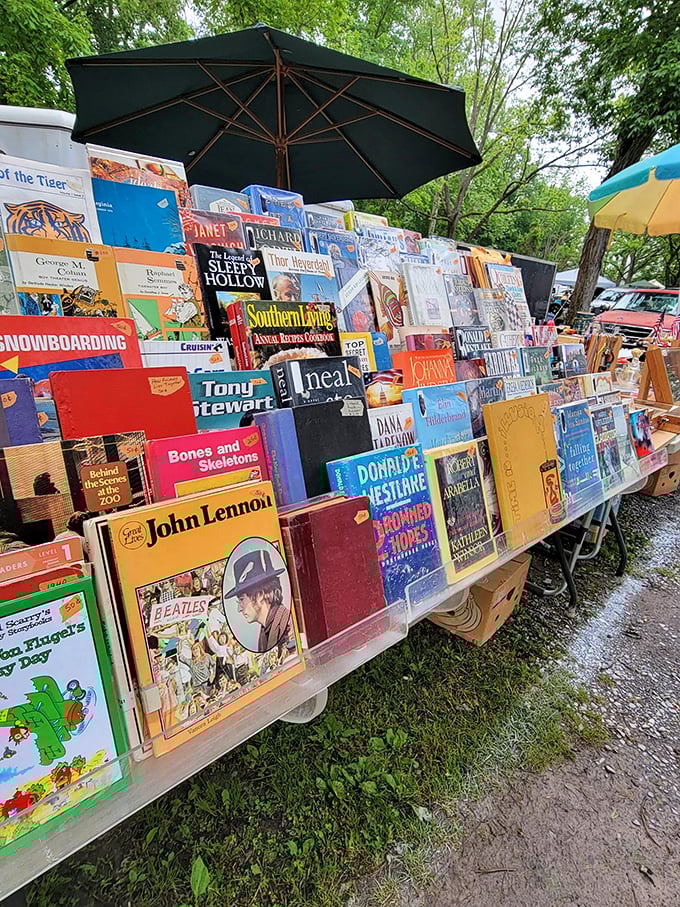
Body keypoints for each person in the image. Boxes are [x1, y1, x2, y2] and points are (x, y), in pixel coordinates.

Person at [223, 548, 290, 653]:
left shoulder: (285, 626)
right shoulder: (266, 630)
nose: (239, 609)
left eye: (242, 599)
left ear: (260, 595)